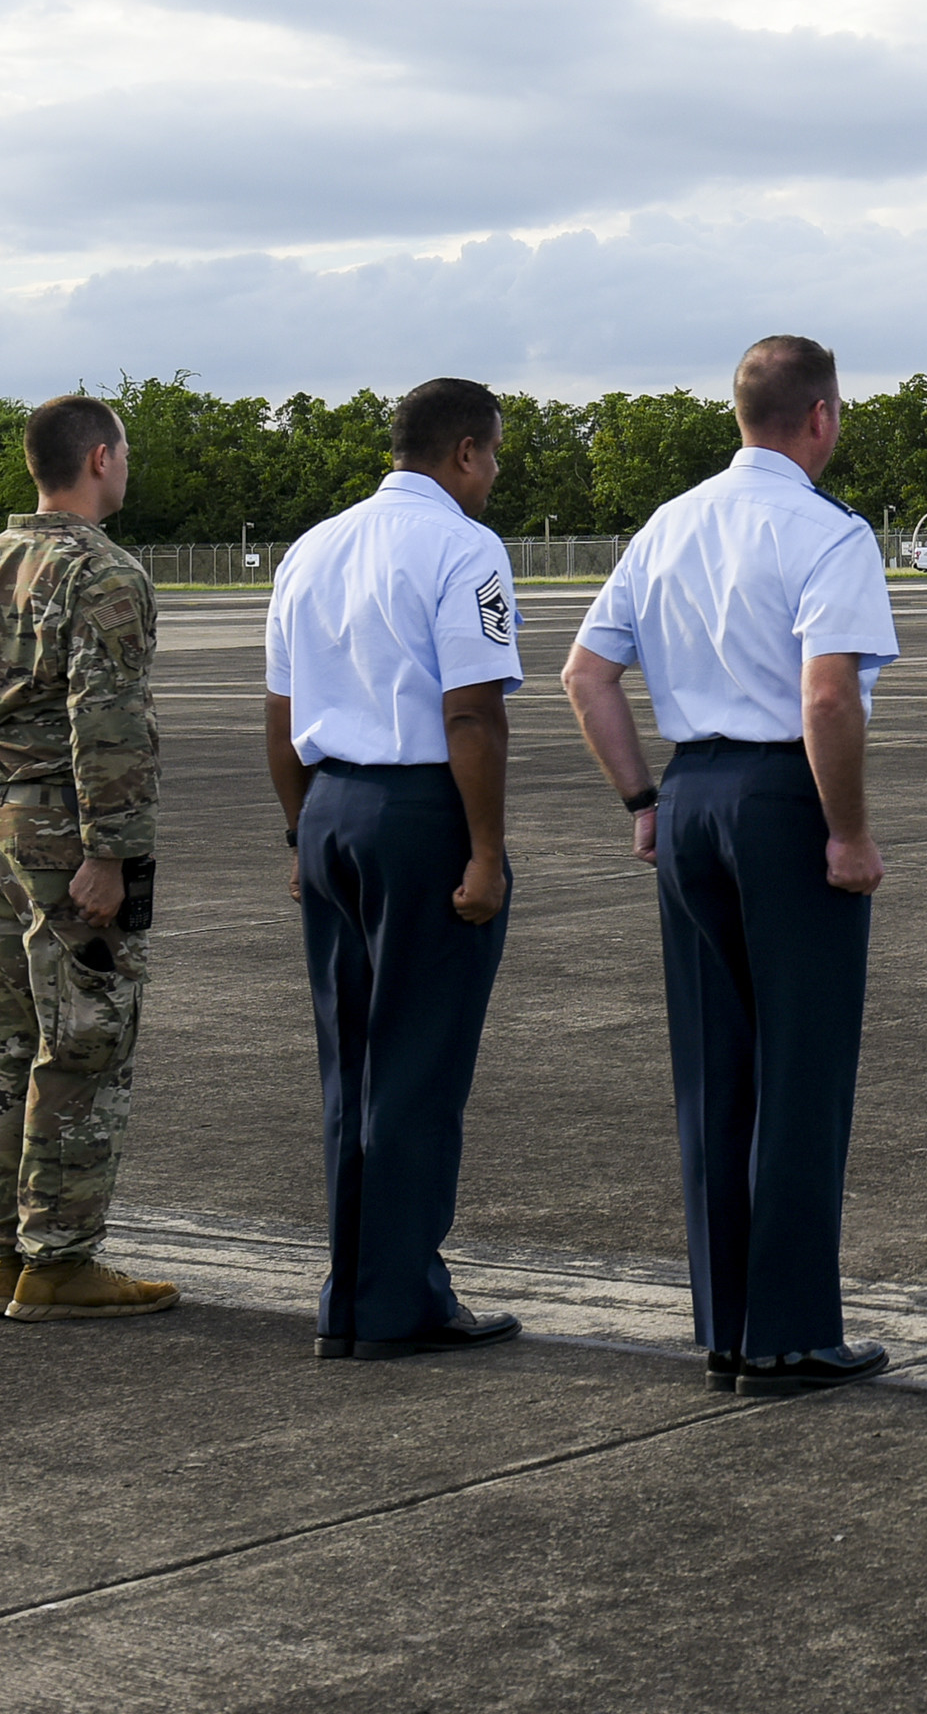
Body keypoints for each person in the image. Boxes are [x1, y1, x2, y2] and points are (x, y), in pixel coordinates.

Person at [561, 336, 903, 1399]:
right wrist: (845, 832)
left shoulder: (670, 522)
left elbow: (586, 674)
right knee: (800, 1075)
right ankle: (792, 1334)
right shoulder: (827, 531)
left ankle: (728, 1323)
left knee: (715, 1072)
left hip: (693, 792)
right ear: (820, 417)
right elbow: (827, 698)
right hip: (780, 800)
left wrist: (643, 799)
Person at [263, 377, 526, 1362]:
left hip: (330, 808)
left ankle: (353, 1293)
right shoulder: (466, 549)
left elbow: (280, 718)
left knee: (353, 1067)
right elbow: (472, 713)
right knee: (417, 1070)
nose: (495, 475)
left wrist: (303, 837)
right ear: (463, 452)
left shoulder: (312, 548)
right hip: (421, 815)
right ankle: (400, 1301)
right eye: (493, 455)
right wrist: (487, 851)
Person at [0, 394, 179, 1324]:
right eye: (127, 453)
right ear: (99, 458)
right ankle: (59, 1260)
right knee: (86, 1045)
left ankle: (3, 1255)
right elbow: (107, 723)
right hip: (63, 835)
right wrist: (112, 854)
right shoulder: (102, 573)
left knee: (2, 1045)